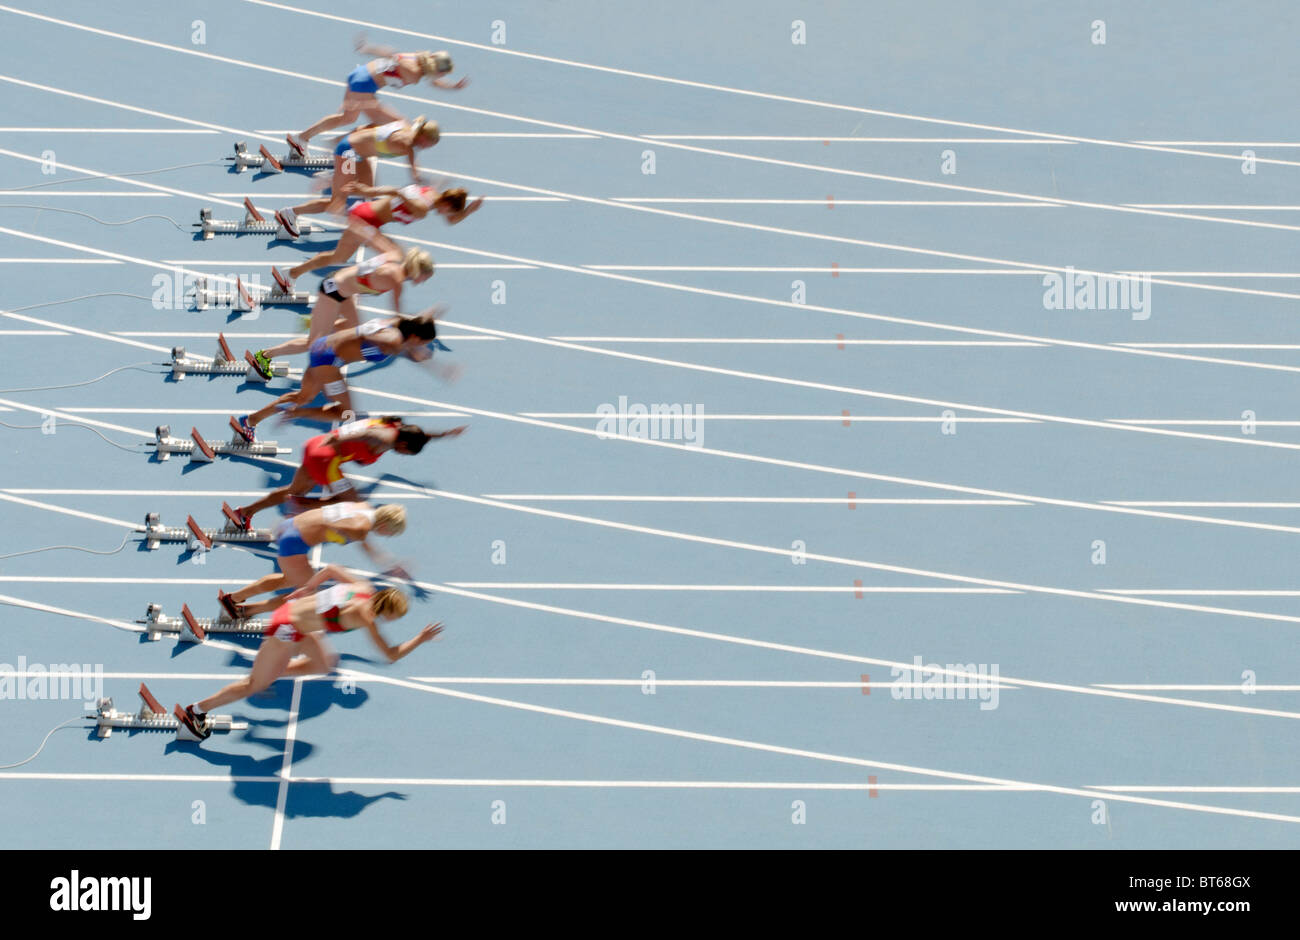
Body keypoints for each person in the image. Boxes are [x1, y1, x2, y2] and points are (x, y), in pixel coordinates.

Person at [175, 574, 442, 740]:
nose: (397, 620)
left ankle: (271, 671)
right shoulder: (365, 616)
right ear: (389, 610)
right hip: (287, 629)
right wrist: (420, 638)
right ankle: (195, 712)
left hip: (298, 621)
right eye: (398, 616)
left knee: (325, 663)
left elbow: (331, 569)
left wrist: (308, 588)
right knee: (254, 686)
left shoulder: (362, 587)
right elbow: (390, 655)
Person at [221, 416, 466, 529]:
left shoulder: (396, 427)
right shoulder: (385, 436)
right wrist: (335, 440)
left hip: (314, 447)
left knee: (291, 491)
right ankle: (302, 505)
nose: (402, 456)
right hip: (325, 457)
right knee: (354, 504)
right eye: (405, 453)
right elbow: (363, 434)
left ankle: (244, 513)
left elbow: (415, 436)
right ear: (402, 446)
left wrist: (443, 435)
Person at [246, 244, 436, 379]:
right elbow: (397, 318)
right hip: (333, 292)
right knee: (315, 344)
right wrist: (415, 337)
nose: (424, 282)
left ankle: (317, 322)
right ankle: (264, 356)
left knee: (353, 329)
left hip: (344, 291)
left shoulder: (395, 259)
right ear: (417, 272)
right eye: (425, 278)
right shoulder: (396, 280)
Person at [232, 313, 439, 435]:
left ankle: (249, 421)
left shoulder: (397, 322)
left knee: (303, 397)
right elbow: (389, 343)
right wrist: (427, 361)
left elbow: (373, 333)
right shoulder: (394, 340)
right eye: (422, 342)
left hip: (321, 348)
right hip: (329, 361)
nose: (421, 346)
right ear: (414, 336)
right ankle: (300, 417)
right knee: (346, 413)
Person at [217, 503, 408, 619]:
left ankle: (233, 599)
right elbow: (346, 530)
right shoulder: (360, 528)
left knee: (287, 580)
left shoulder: (364, 508)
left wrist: (387, 563)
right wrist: (325, 531)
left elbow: (363, 542)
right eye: (390, 533)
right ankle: (244, 611)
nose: (388, 536)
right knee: (307, 595)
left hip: (292, 526)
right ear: (384, 525)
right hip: (295, 542)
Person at [286, 40, 466, 155]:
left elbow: (391, 53)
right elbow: (423, 76)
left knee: (349, 117)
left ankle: (314, 140)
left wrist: (452, 86)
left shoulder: (418, 59)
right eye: (442, 74)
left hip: (362, 75)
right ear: (436, 70)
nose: (441, 77)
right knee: (393, 122)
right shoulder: (415, 73)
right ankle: (325, 142)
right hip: (364, 85)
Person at [283, 182, 481, 285]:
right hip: (365, 220)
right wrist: (367, 190)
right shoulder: (421, 209)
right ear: (447, 204)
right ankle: (356, 285)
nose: (447, 215)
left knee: (338, 257)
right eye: (450, 210)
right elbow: (396, 192)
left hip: (367, 213)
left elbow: (450, 218)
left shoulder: (430, 192)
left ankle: (291, 274)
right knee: (396, 255)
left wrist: (468, 211)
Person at [275, 117, 440, 234]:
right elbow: (415, 174)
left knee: (366, 194)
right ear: (424, 139)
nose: (428, 148)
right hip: (348, 152)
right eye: (430, 145)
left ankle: (335, 181)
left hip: (358, 153)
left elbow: (371, 125)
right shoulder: (407, 144)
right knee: (338, 201)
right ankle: (290, 213)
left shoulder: (405, 125)